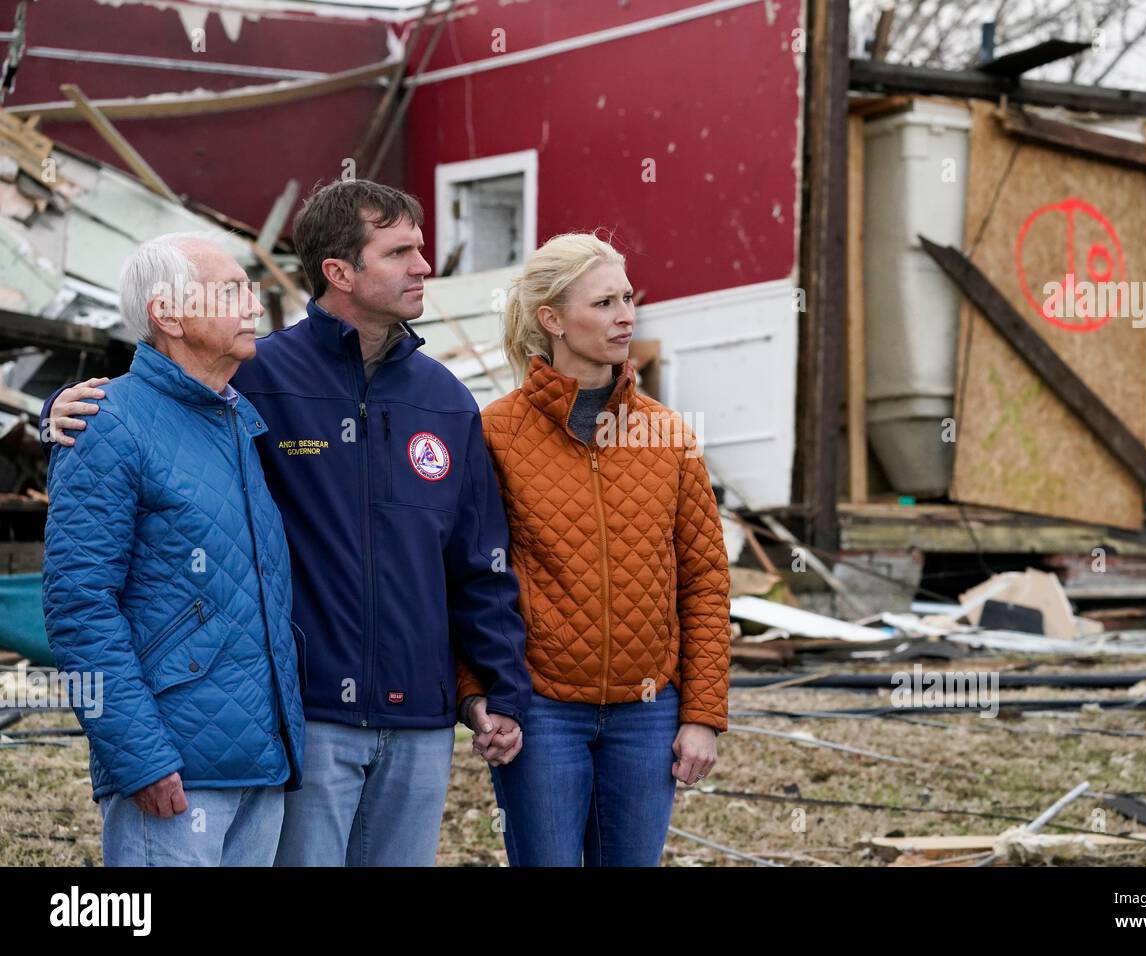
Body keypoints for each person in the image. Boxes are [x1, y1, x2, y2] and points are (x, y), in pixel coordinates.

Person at [43, 181, 531, 866]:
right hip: (262, 735)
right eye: (399, 251)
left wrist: (492, 687)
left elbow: (476, 564)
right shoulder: (249, 385)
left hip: (332, 740)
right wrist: (61, 412)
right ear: (340, 271)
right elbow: (81, 597)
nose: (424, 266)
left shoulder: (427, 401)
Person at [457, 233, 732, 866]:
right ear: (551, 319)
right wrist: (479, 699)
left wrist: (703, 714)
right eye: (604, 302)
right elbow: (471, 579)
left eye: (628, 299)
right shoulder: (495, 432)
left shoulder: (668, 434)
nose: (626, 316)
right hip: (541, 709)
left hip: (648, 710)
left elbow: (705, 580)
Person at [42, 233, 306, 866]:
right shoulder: (106, 422)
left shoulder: (238, 416)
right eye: (232, 289)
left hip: (262, 759)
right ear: (168, 313)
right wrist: (141, 757)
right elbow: (79, 607)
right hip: (174, 772)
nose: (254, 301)